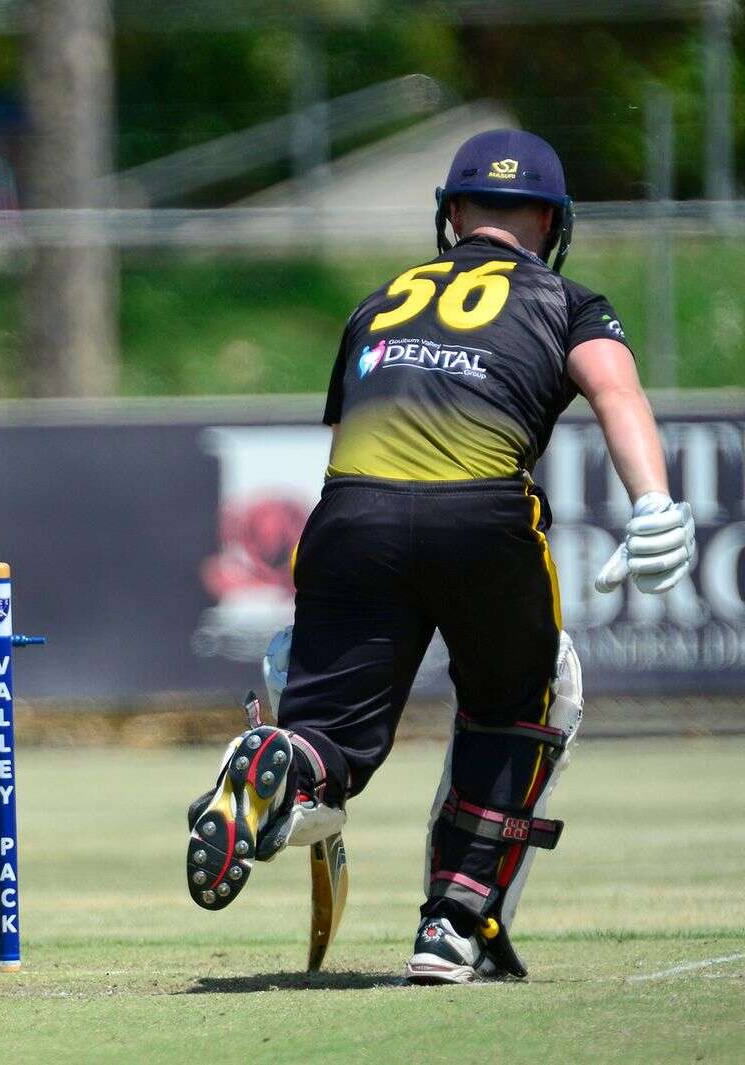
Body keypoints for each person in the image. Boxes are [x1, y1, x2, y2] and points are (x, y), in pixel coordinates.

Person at [183, 130, 697, 983]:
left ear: (453, 215)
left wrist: (316, 619)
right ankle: (455, 922)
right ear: (549, 221)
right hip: (482, 517)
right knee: (526, 699)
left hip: (352, 516)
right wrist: (651, 500)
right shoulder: (569, 300)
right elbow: (615, 386)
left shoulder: (380, 301)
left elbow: (354, 448)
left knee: (332, 733)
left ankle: (293, 765)